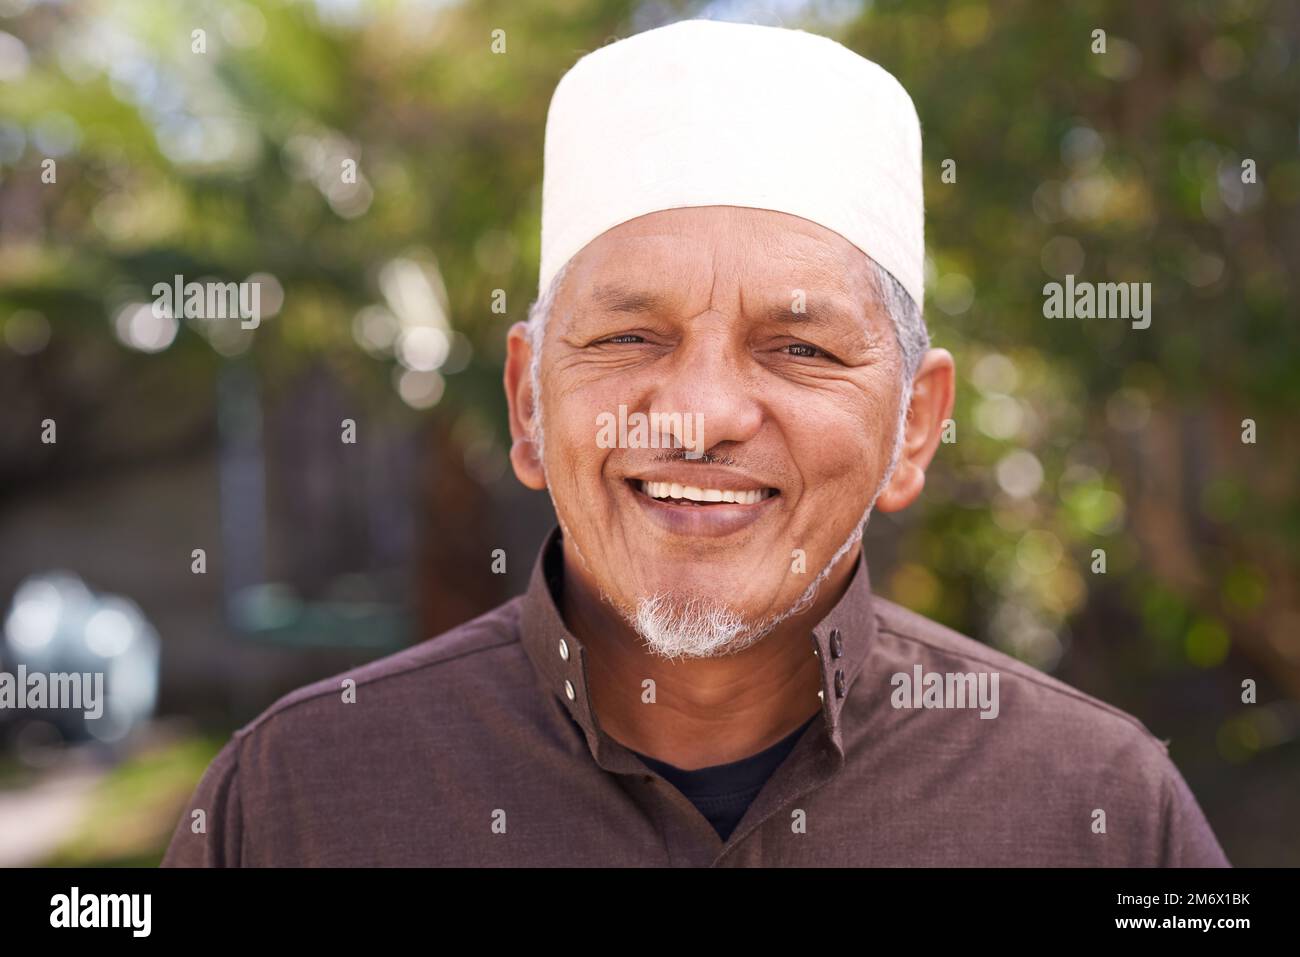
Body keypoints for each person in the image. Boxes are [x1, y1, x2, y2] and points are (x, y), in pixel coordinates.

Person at [162, 18, 1228, 867]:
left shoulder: (1097, 809)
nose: (702, 414)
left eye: (799, 348)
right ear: (529, 404)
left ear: (913, 425)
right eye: (630, 336)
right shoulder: (299, 801)